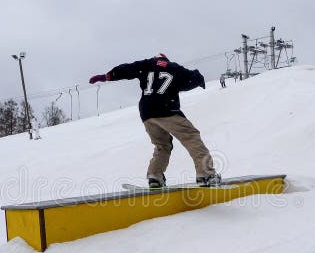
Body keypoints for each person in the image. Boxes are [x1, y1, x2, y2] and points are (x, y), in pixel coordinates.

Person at [89, 53, 221, 188]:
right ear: (165, 59)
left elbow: (127, 69)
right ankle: (206, 174)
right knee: (191, 137)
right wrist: (199, 78)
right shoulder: (173, 67)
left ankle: (155, 176)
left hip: (147, 113)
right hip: (166, 109)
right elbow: (189, 81)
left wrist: (107, 76)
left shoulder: (147, 64)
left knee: (162, 145)